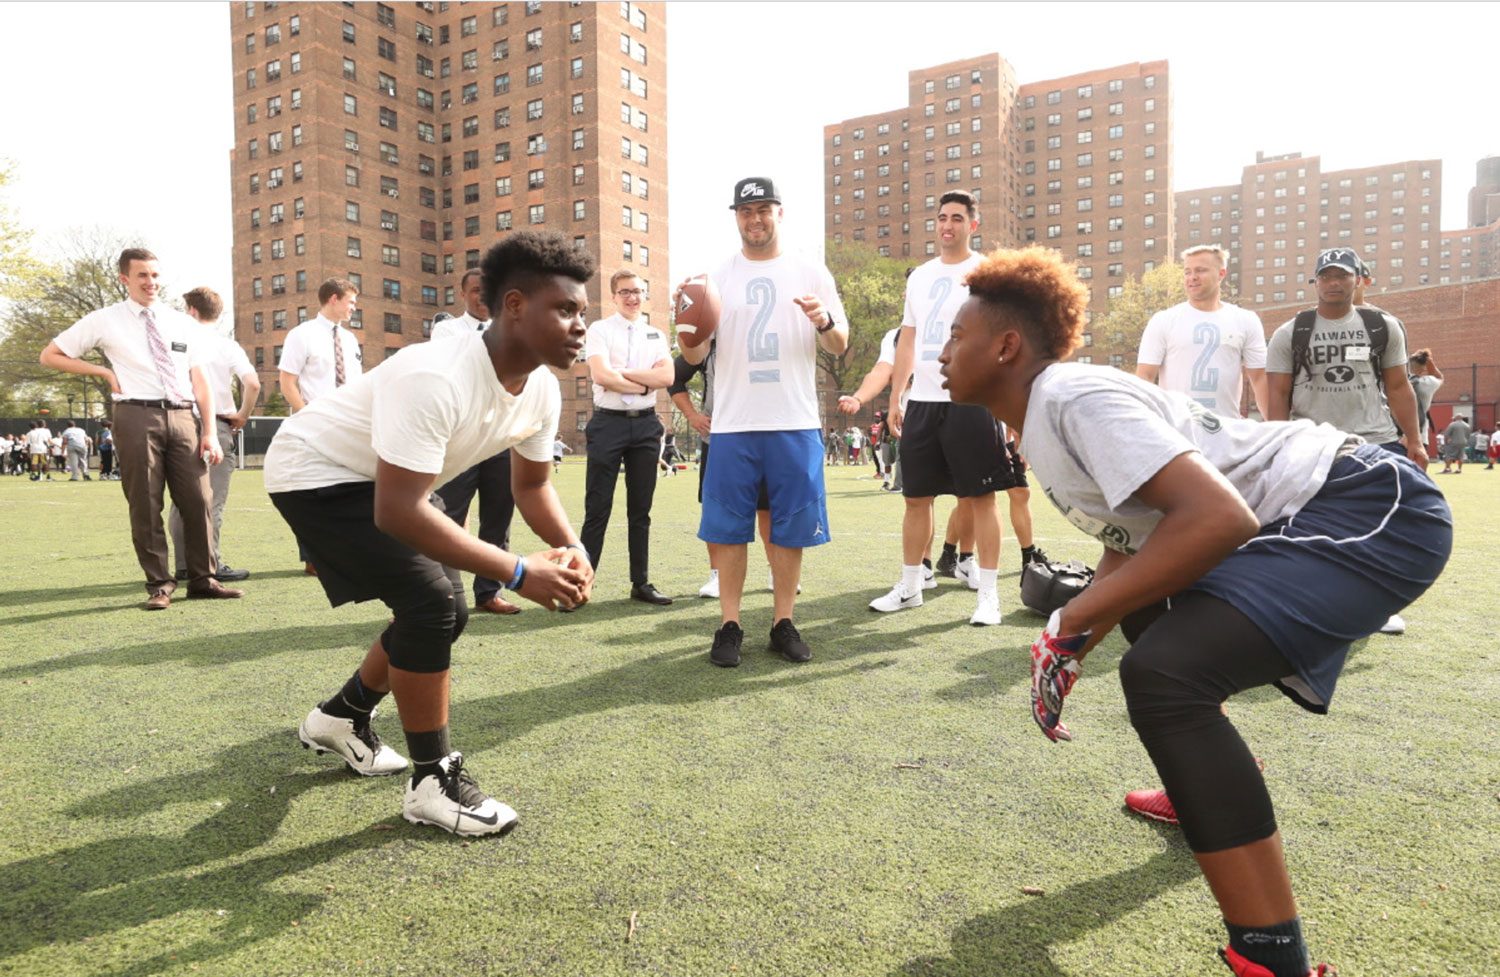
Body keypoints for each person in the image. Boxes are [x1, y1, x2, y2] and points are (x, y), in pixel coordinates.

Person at [939, 244, 1450, 977]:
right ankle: (1196, 787)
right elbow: (1140, 538)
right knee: (1154, 625)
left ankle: (1273, 957)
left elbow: (1217, 517)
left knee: (1165, 676)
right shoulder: (1038, 419)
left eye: (957, 336)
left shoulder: (1070, 397)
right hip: (1303, 514)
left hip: (1367, 503)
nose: (942, 351)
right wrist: (1080, 635)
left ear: (1006, 345)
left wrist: (1065, 623)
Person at [264, 231, 596, 837]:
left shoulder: (543, 386)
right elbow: (397, 511)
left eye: (583, 312)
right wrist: (518, 571)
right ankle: (431, 781)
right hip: (315, 471)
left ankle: (341, 717)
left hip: (387, 481)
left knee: (447, 611)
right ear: (515, 306)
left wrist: (573, 549)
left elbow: (532, 488)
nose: (581, 326)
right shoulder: (436, 374)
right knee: (432, 602)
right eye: (566, 309)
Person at [678, 176, 848, 666]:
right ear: (736, 217)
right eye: (745, 211)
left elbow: (840, 344)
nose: (755, 219)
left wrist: (825, 322)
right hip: (733, 423)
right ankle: (729, 623)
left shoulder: (810, 271)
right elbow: (695, 352)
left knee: (788, 529)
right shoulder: (715, 278)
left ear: (779, 212)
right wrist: (687, 323)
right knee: (729, 530)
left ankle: (782, 621)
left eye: (763, 210)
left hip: (793, 419)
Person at [39, 247, 241, 608]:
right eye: (142, 275)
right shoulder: (104, 319)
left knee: (199, 499)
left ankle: (203, 579)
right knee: (145, 503)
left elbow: (201, 381)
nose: (151, 282)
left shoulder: (182, 323)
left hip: (183, 416)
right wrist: (101, 371)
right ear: (125, 279)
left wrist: (209, 431)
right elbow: (50, 354)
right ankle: (160, 585)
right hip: (134, 415)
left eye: (155, 275)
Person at [1266, 247, 1427, 636]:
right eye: (1326, 276)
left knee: (1381, 526)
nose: (1334, 283)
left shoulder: (1382, 326)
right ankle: (1314, 600)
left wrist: (1415, 440)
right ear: (1316, 282)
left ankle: (1378, 607)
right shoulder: (1292, 332)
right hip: (1315, 442)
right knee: (1314, 526)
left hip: (1376, 439)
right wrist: (1276, 440)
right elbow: (1277, 393)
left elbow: (1399, 386)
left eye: (1342, 276)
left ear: (1359, 280)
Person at [884, 190, 1012, 625]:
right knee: (915, 499)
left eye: (957, 218)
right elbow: (908, 338)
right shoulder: (918, 275)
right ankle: (910, 587)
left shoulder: (988, 273)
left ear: (973, 225)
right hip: (922, 402)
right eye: (941, 217)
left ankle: (989, 597)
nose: (947, 225)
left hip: (971, 401)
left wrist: (1009, 403)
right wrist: (897, 394)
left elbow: (1007, 341)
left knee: (981, 498)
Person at [429, 269, 522, 616]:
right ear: (463, 294)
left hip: (500, 434)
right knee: (447, 517)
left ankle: (489, 592)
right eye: (476, 292)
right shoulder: (448, 329)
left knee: (498, 516)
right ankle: (439, 593)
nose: (483, 299)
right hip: (464, 436)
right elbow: (457, 367)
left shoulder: (512, 327)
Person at [580, 270, 675, 605]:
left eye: (637, 291)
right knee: (598, 507)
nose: (633, 297)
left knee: (640, 509)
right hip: (609, 424)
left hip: (646, 426)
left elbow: (668, 375)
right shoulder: (600, 330)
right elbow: (601, 375)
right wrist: (646, 381)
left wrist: (626, 376)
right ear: (613, 296)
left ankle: (641, 583)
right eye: (625, 292)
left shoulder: (656, 334)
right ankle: (582, 584)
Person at [168, 287, 259, 583]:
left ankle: (183, 565)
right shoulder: (226, 346)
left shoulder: (175, 341)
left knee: (182, 499)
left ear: (192, 310)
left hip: (180, 421)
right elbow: (253, 383)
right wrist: (243, 415)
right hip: (217, 423)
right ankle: (209, 564)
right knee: (212, 500)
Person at [280, 278, 364, 575]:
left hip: (348, 425)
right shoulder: (301, 335)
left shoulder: (351, 340)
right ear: (333, 298)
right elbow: (287, 381)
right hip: (314, 425)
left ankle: (344, 551)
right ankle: (314, 558)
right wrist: (306, 417)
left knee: (348, 490)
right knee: (313, 492)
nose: (354, 307)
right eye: (351, 301)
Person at [1137, 244, 1270, 419]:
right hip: (1177, 431)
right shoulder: (1163, 320)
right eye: (1187, 272)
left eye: (1200, 270)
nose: (1192, 277)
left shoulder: (1246, 320)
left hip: (1227, 431)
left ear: (1221, 274)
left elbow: (1260, 380)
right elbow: (1144, 378)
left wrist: (1277, 430)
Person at [1406, 348, 1443, 459]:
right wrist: (1430, 363)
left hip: (1393, 436)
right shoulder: (1428, 383)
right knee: (1417, 473)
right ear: (1423, 370)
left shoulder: (1394, 383)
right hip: (1419, 437)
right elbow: (1439, 377)